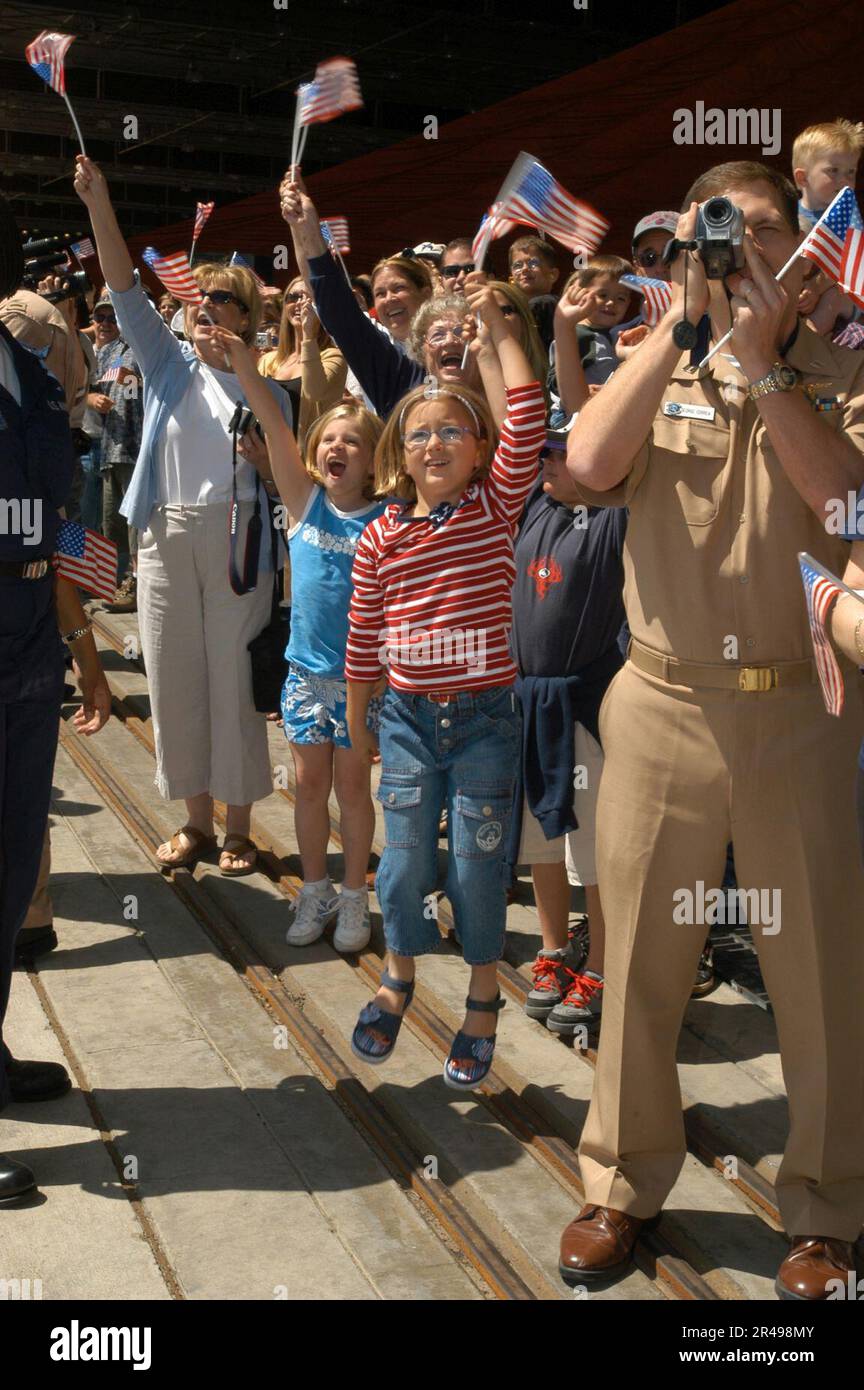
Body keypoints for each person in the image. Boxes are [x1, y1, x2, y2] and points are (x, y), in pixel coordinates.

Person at [558, 160, 864, 1302]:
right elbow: (586, 467)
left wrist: (768, 365)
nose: (730, 249)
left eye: (751, 232)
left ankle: (827, 1206)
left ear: (806, 246)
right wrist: (679, 322)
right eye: (707, 233)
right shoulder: (663, 354)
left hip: (802, 702)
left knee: (819, 971)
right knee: (635, 954)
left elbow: (847, 507)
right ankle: (620, 1181)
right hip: (661, 699)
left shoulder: (844, 367)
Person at [344, 281, 545, 1089]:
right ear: (398, 453)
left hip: (487, 721)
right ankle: (399, 973)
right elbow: (362, 645)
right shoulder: (379, 539)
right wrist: (358, 729)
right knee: (399, 868)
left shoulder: (496, 507)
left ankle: (484, 993)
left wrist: (496, 327)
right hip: (405, 724)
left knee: (476, 867)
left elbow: (528, 414)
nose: (435, 444)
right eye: (419, 434)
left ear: (479, 446)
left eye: (452, 432)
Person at [74, 153, 294, 878]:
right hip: (166, 539)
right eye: (201, 306)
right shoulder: (169, 366)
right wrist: (99, 201)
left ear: (250, 320)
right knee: (174, 677)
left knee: (234, 682)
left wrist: (265, 453)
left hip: (240, 545)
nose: (207, 315)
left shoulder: (273, 391)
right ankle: (195, 822)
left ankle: (238, 829)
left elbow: (287, 473)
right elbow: (122, 285)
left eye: (224, 305)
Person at [0, 190, 110, 1205]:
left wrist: (83, 646)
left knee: (7, 872)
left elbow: (61, 522)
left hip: (30, 641)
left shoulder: (30, 383)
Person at [511, 428, 626, 1035]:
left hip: (585, 706)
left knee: (597, 854)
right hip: (531, 706)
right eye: (544, 451)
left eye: (560, 451)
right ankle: (554, 950)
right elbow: (513, 412)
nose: (546, 460)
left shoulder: (612, 517)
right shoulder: (535, 502)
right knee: (542, 846)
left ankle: (603, 965)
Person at [86, 291, 143, 613]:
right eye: (100, 318)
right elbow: (90, 388)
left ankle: (135, 585)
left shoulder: (142, 347)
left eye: (112, 317)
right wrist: (92, 399)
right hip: (110, 448)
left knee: (135, 527)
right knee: (112, 525)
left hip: (136, 449)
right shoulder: (104, 353)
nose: (106, 324)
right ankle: (120, 578)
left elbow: (160, 386)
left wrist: (136, 379)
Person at [257, 276, 346, 447]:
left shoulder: (334, 356)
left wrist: (308, 335)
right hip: (266, 461)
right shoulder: (268, 361)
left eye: (309, 298)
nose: (300, 303)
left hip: (307, 464)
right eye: (293, 297)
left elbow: (314, 392)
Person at [791, 117, 864, 231]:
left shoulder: (854, 220)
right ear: (803, 178)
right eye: (833, 170)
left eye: (851, 172)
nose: (844, 180)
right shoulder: (789, 220)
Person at [508, 235, 560, 351]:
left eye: (533, 263)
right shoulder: (508, 309)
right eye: (517, 265)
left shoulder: (549, 304)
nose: (525, 269)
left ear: (553, 275)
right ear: (511, 277)